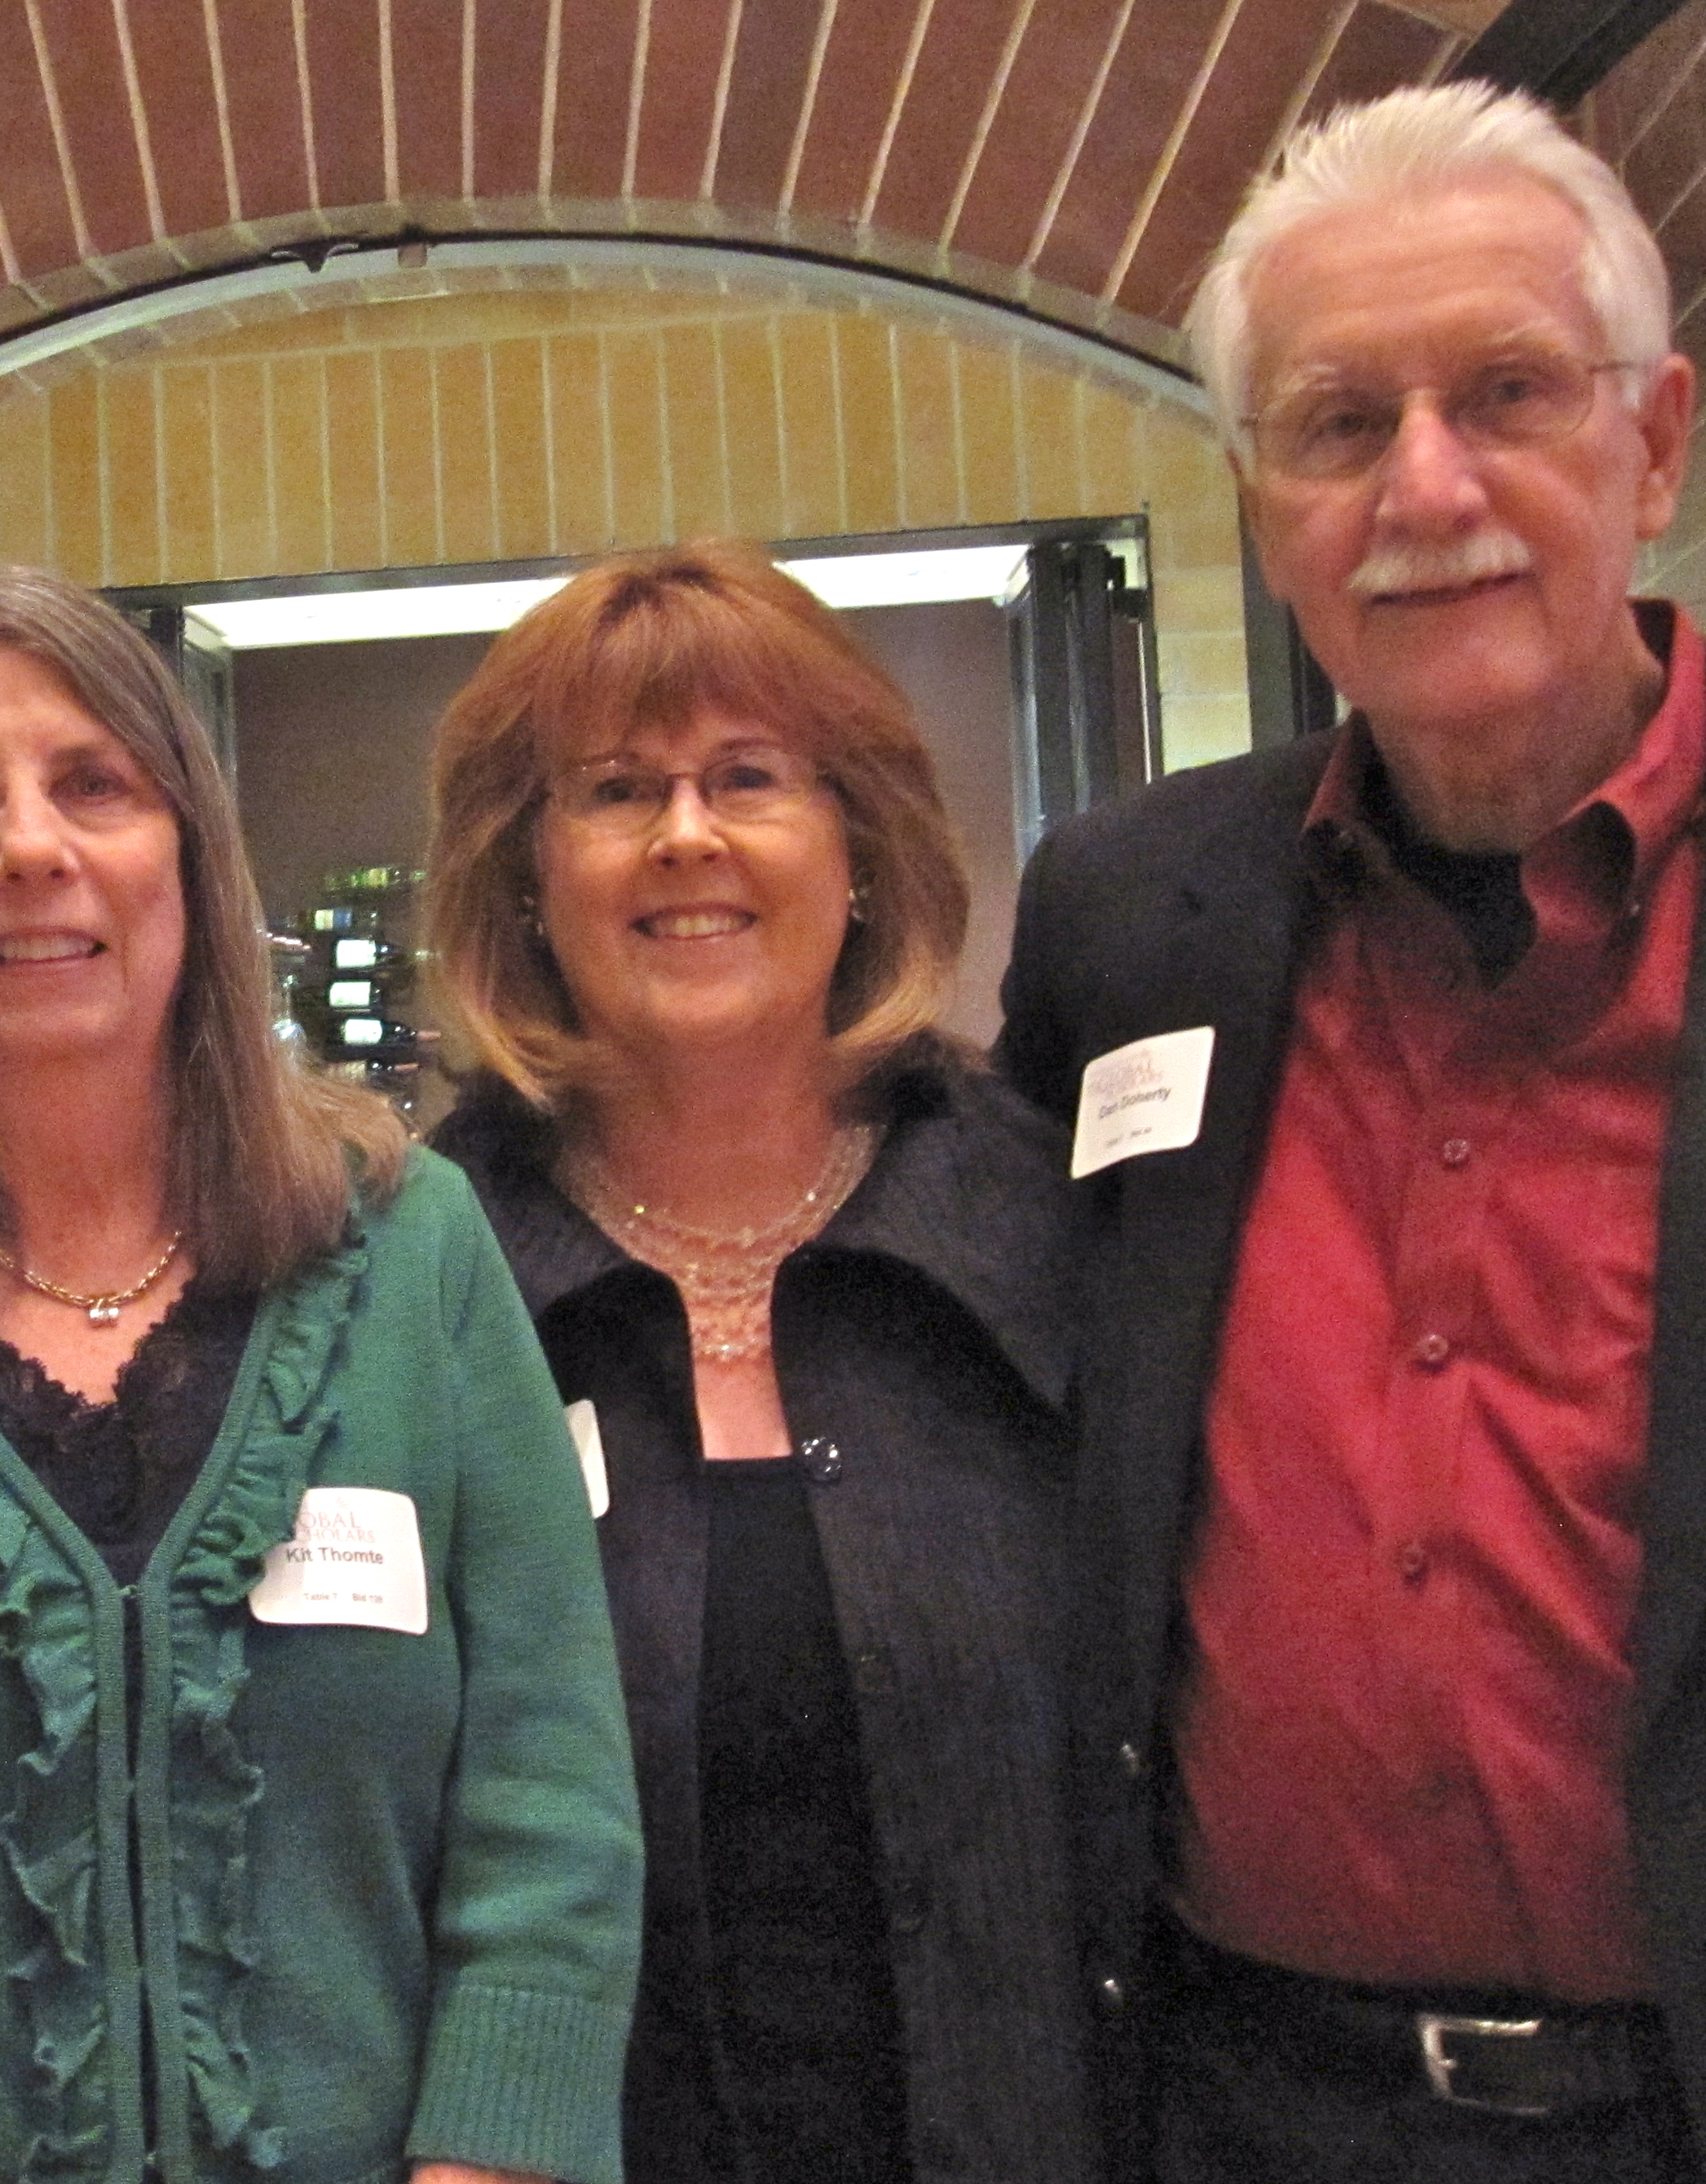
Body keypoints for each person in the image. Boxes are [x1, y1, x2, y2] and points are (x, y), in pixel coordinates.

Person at [0, 566, 642, 2184]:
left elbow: (547, 1801)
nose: (29, 846)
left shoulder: (412, 1252)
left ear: (190, 859)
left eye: (92, 784)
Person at [997, 78, 1706, 2182]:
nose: (1425, 487)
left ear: (1656, 436)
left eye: (1507, 392)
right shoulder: (1126, 925)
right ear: (1266, 503)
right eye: (1343, 426)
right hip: (1236, 2109)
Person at [420, 546, 1094, 2184]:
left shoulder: (1057, 1230)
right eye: (610, 792)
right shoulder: (411, 1294)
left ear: (857, 845)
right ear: (526, 879)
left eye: (747, 779)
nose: (684, 837)